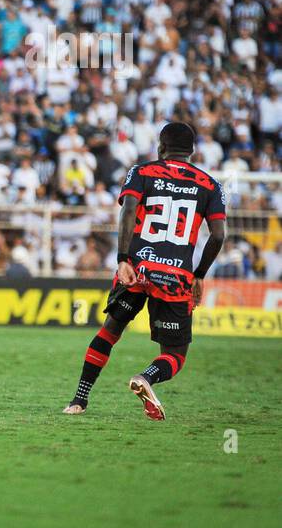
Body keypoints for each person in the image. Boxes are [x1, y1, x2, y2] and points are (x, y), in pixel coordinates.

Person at [64, 123, 228, 420]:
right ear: (191, 152)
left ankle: (79, 400)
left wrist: (123, 258)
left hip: (137, 267)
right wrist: (199, 275)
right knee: (175, 355)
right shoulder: (211, 185)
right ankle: (146, 377)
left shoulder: (141, 172)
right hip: (175, 276)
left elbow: (128, 211)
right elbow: (218, 235)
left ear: (160, 148)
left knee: (110, 332)